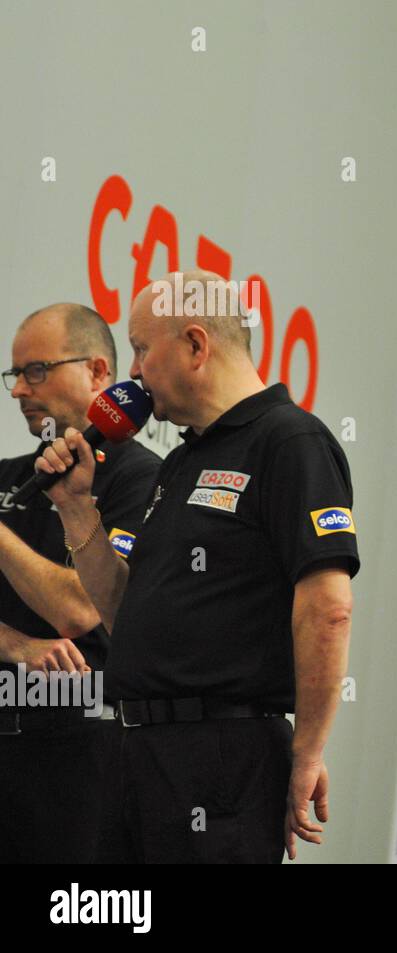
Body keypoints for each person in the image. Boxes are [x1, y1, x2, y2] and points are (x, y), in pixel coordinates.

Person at [38, 270, 359, 863]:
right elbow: (125, 614)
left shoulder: (291, 442)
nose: (132, 371)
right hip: (136, 751)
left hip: (221, 756)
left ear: (194, 344)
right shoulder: (182, 460)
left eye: (139, 347)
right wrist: (76, 508)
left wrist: (308, 754)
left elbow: (329, 608)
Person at [0, 303, 161, 862]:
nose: (19, 389)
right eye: (14, 375)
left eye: (36, 370)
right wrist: (13, 643)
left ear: (97, 372)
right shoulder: (5, 477)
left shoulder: (145, 481)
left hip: (76, 755)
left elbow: (79, 609)